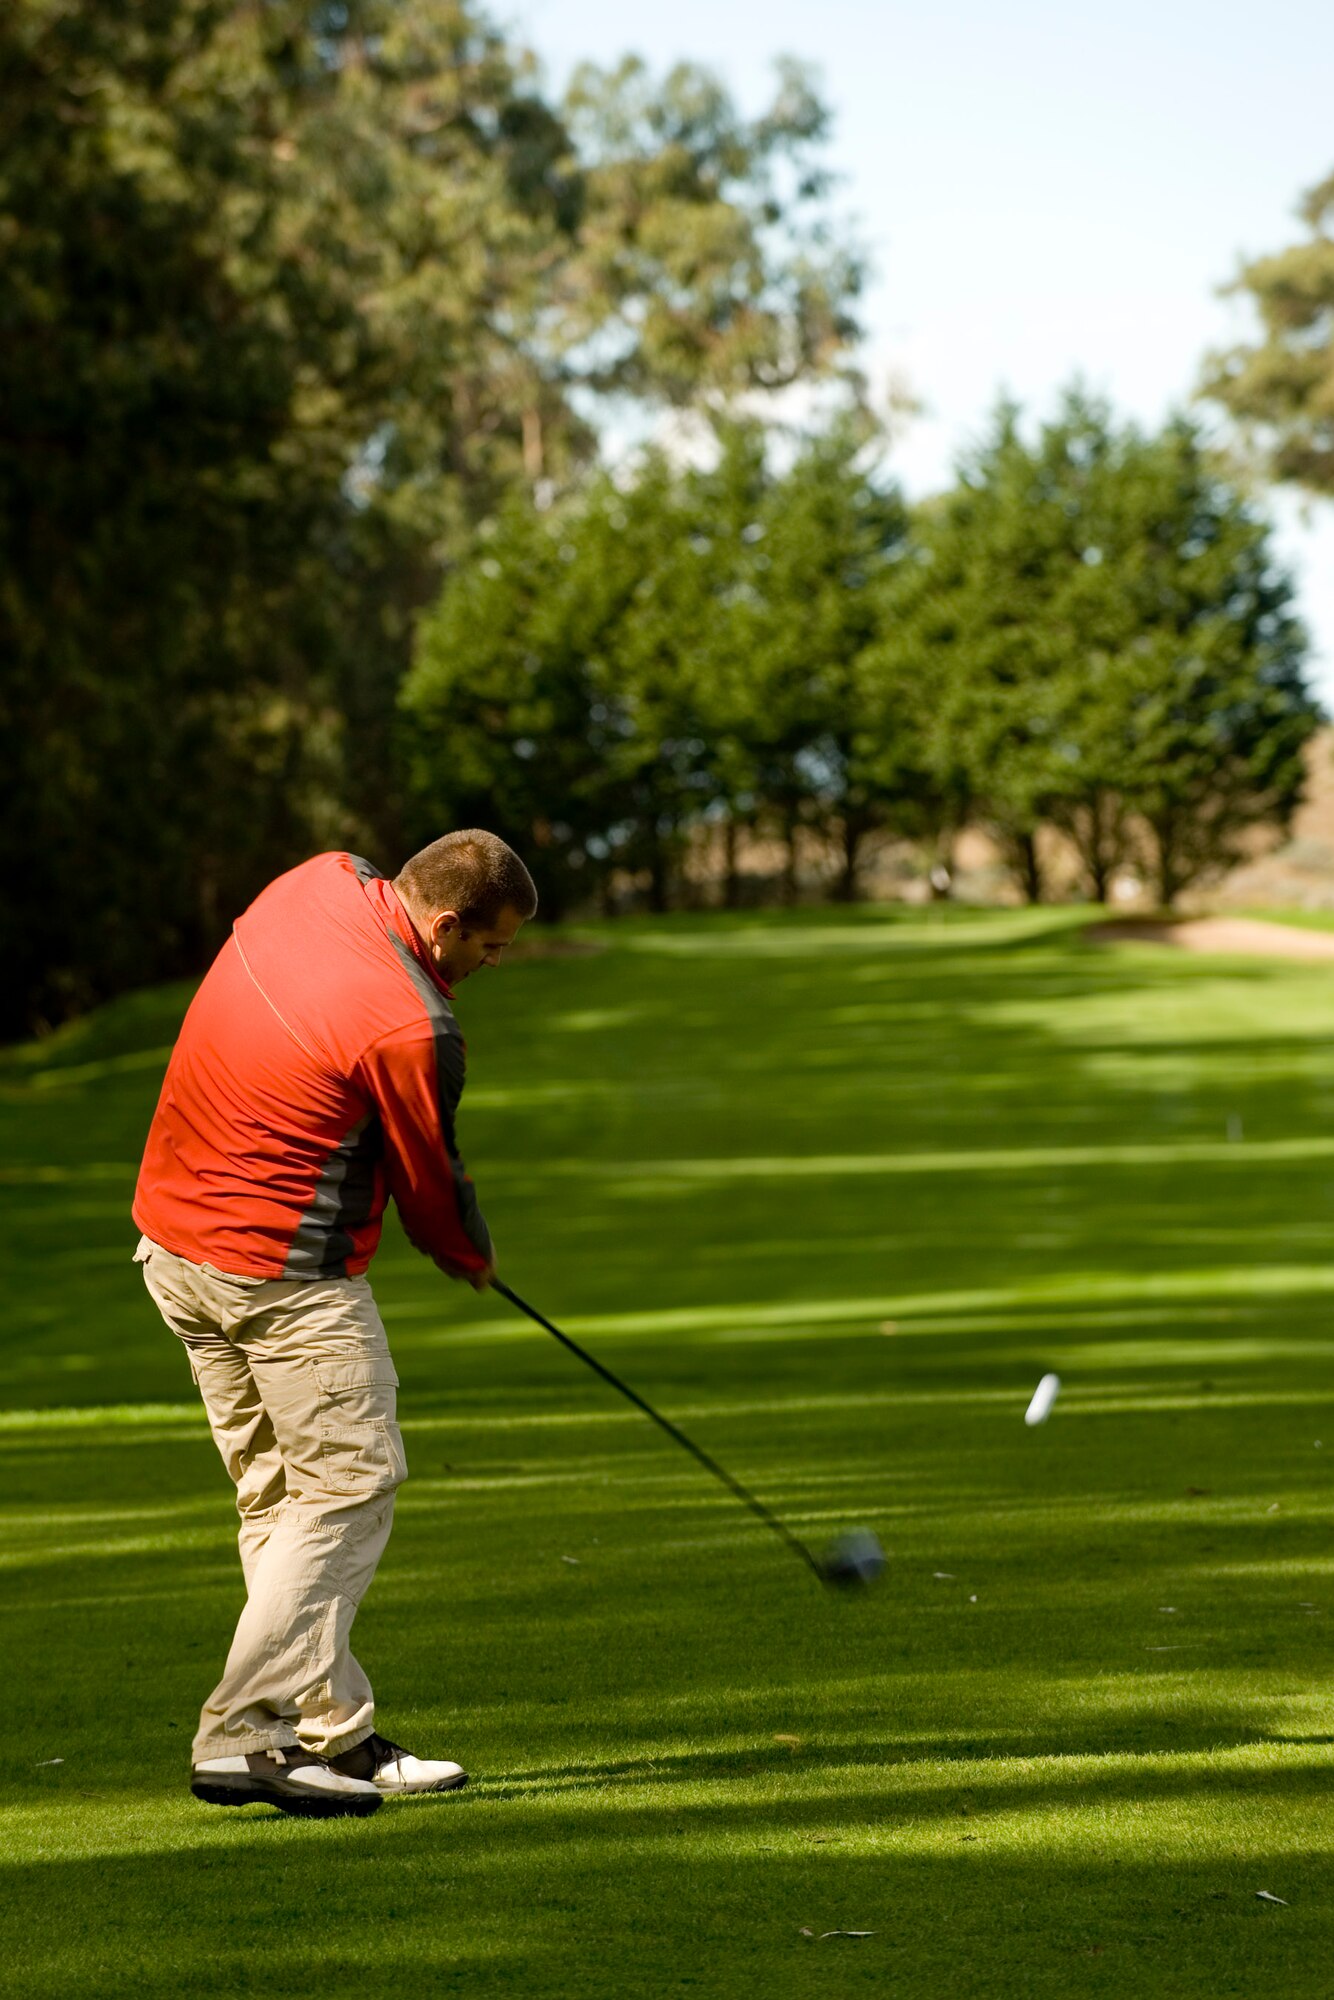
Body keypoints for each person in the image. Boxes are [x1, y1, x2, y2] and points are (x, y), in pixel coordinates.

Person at [132, 832, 536, 1818]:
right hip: (280, 1279)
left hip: (172, 1253)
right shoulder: (412, 1021)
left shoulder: (317, 878)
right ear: (444, 925)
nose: (495, 962)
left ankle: (333, 1736)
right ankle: (242, 1732)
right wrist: (468, 1251)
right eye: (491, 945)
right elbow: (428, 1189)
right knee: (352, 1483)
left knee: (280, 1501)